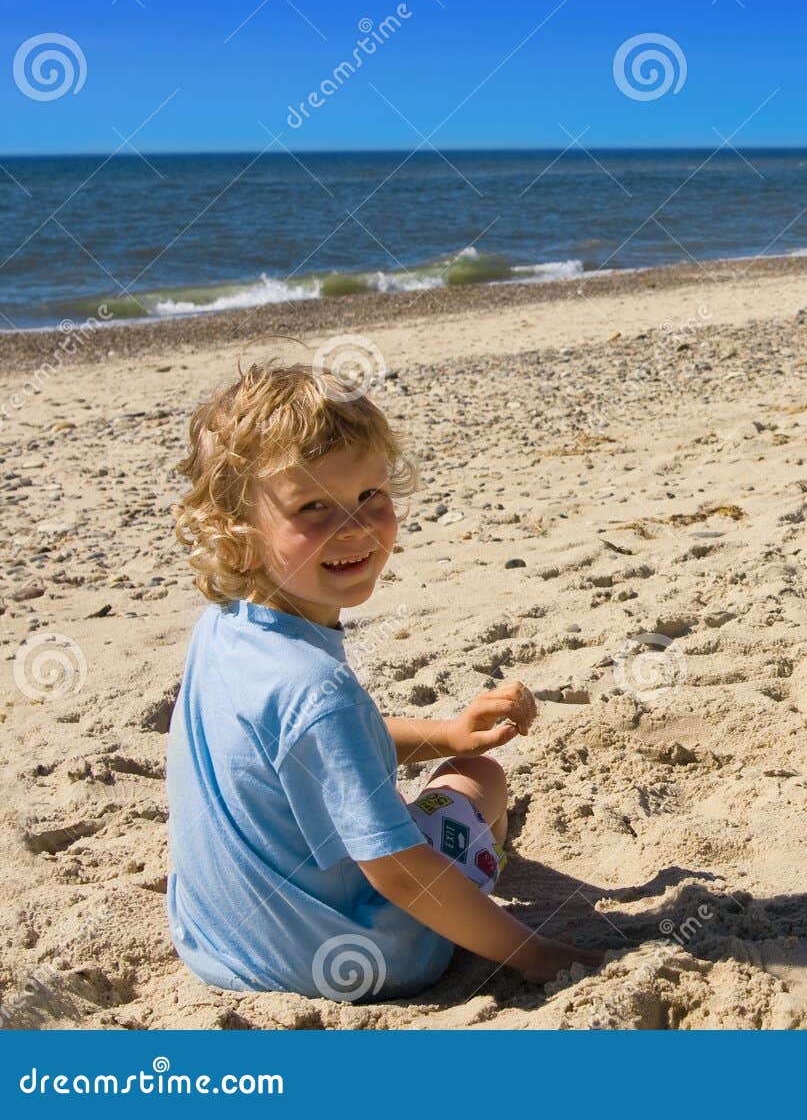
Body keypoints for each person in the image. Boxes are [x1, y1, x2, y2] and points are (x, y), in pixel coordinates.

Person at [165, 360, 604, 1001]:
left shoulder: (223, 630)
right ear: (238, 531)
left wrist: (447, 731)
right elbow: (400, 873)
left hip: (218, 940)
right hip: (361, 955)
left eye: (370, 495)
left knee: (435, 766)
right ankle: (487, 863)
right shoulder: (316, 689)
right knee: (479, 779)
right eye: (314, 507)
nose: (355, 527)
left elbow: (305, 753)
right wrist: (535, 952)